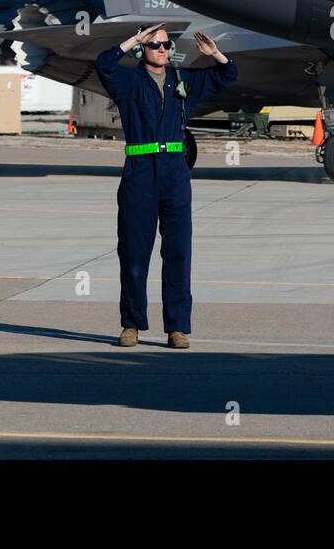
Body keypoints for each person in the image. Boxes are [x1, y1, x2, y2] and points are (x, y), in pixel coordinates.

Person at [95, 24, 238, 348]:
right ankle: (131, 324)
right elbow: (103, 64)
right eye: (154, 44)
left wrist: (214, 53)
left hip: (175, 171)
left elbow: (227, 75)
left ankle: (177, 327)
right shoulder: (129, 81)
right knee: (133, 251)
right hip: (140, 171)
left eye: (165, 44)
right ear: (142, 48)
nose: (161, 49)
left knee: (177, 251)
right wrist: (133, 38)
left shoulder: (182, 79)